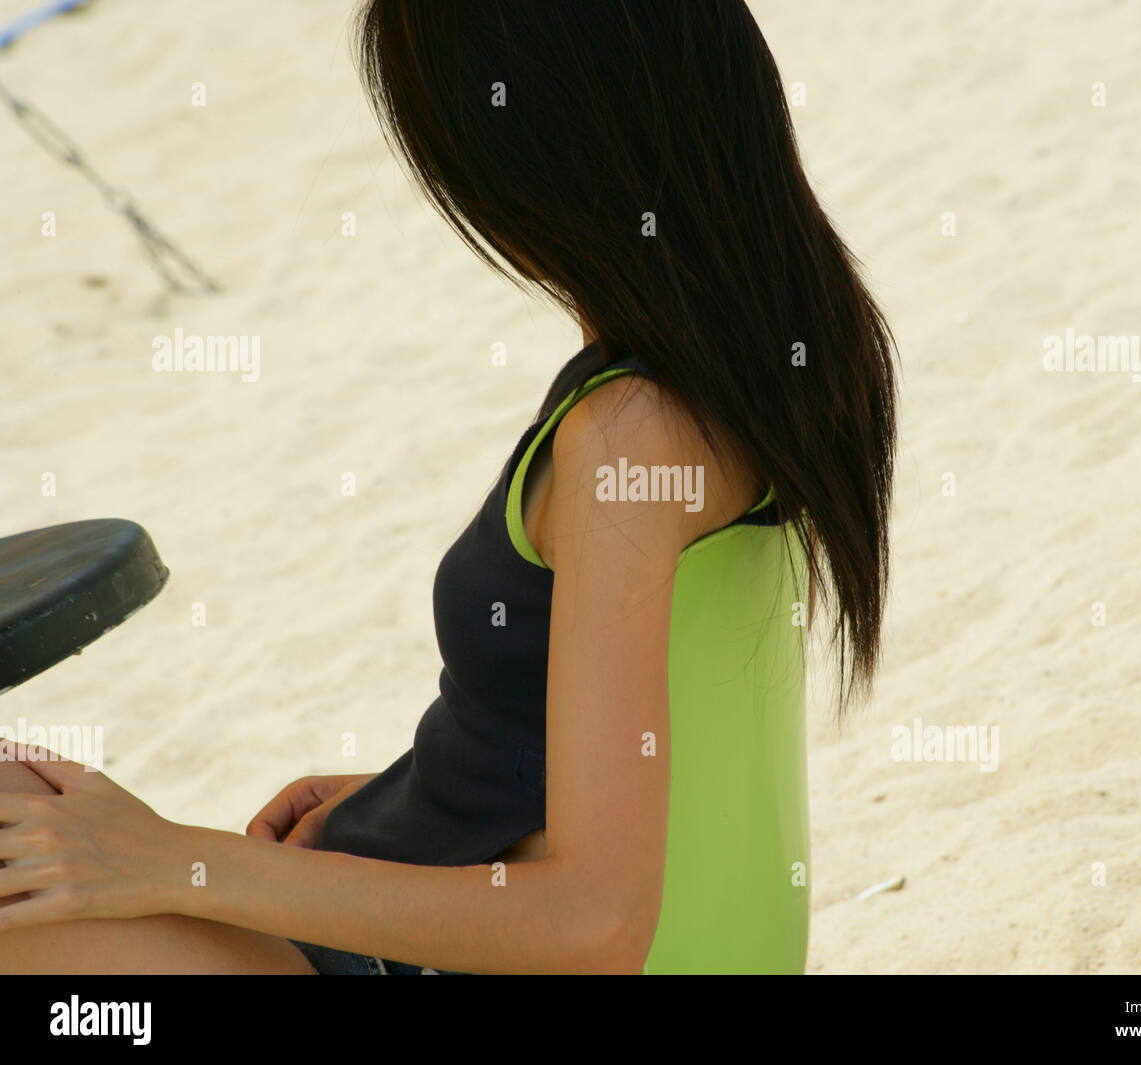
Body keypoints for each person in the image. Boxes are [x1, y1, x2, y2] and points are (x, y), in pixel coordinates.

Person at [0, 0, 896, 974]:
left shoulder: (626, 443)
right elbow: (632, 742)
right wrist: (426, 795)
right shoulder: (776, 353)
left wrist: (180, 863)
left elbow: (595, 924)